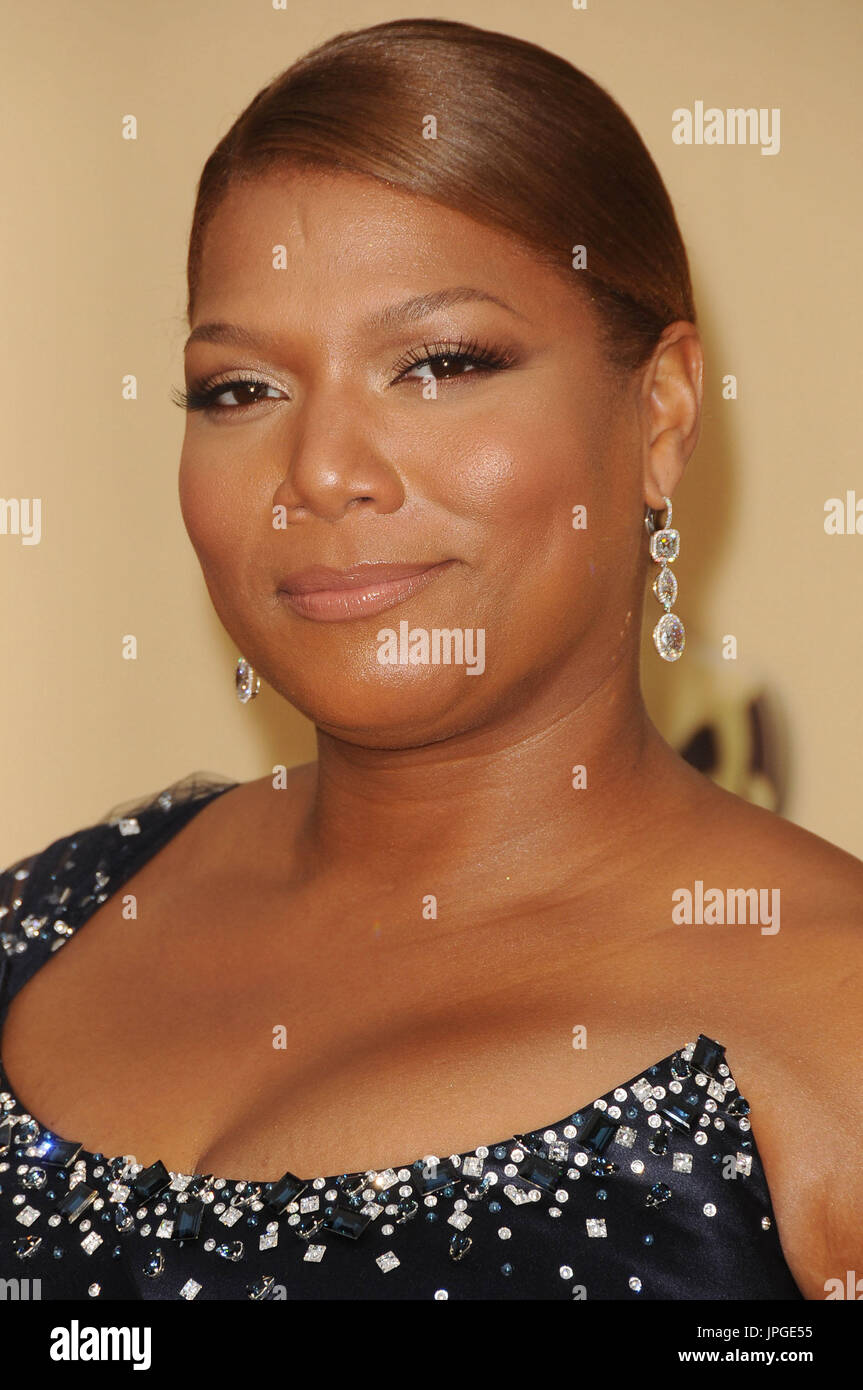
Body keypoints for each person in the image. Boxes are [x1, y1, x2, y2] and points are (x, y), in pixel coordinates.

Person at [1, 17, 860, 1302]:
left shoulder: (829, 1018)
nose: (322, 471)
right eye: (238, 389)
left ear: (662, 413)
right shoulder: (43, 919)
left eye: (441, 364)